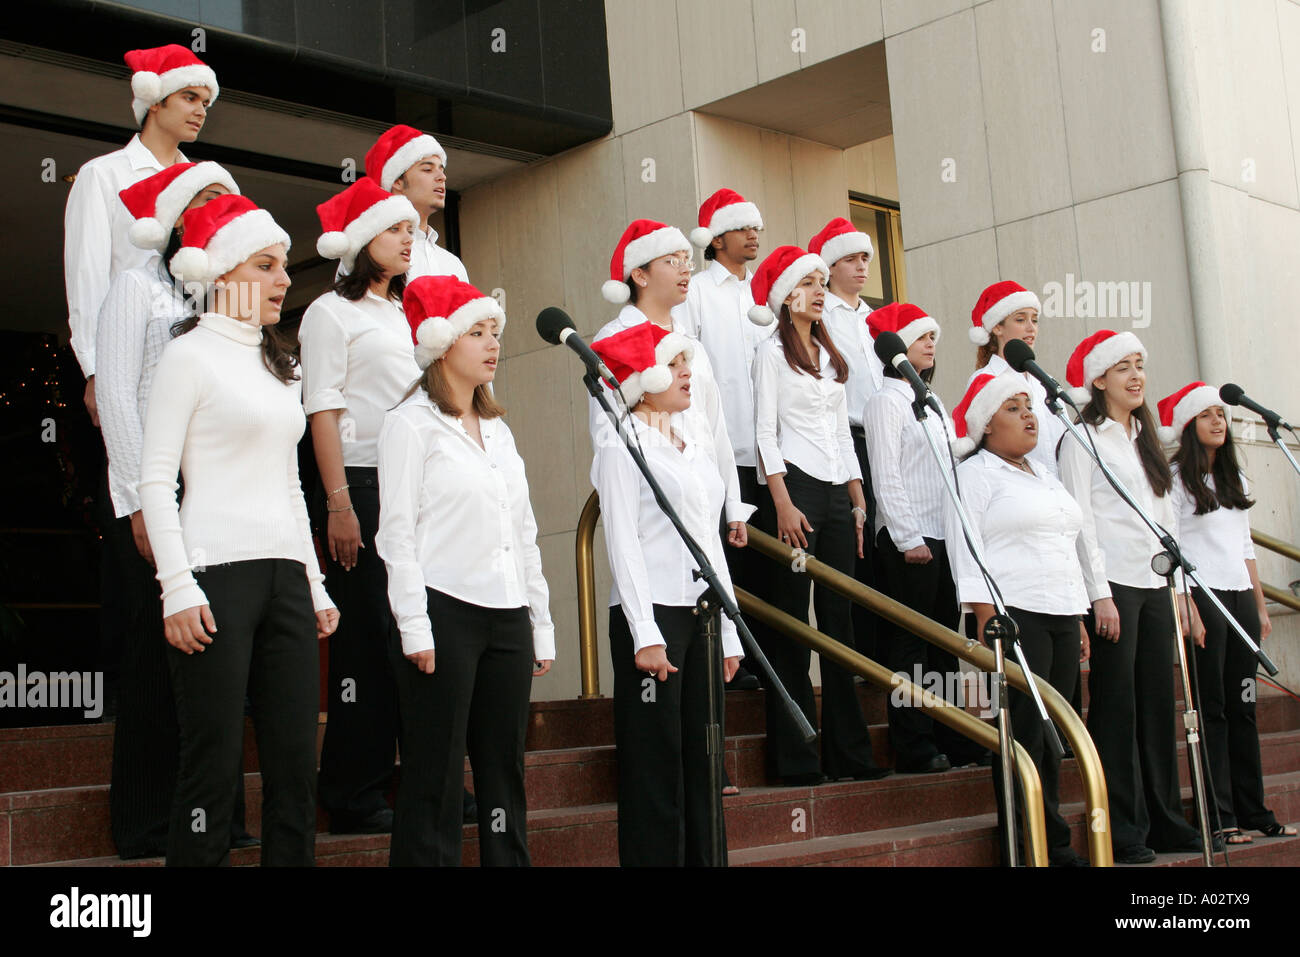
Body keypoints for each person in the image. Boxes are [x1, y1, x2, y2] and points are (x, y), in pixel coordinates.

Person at [139, 195, 338, 866]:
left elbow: (289, 484)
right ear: (223, 272)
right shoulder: (187, 357)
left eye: (284, 265)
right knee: (212, 767)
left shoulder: (281, 365)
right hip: (212, 577)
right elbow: (155, 479)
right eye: (266, 265)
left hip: (284, 578)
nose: (285, 279)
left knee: (293, 768)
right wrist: (176, 586)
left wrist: (314, 587)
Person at [95, 161, 252, 859]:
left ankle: (218, 815)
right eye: (209, 202)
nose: (224, 211)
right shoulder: (134, 286)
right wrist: (135, 499)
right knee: (156, 662)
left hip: (218, 497)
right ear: (180, 216)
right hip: (156, 496)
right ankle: (143, 820)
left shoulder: (222, 298)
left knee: (219, 662)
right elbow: (121, 397)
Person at [376, 275, 554, 866]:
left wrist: (540, 620)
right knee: (436, 767)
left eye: (494, 333)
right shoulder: (410, 424)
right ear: (441, 344)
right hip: (442, 608)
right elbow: (395, 536)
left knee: (504, 768)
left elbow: (522, 532)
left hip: (507, 614)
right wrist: (414, 626)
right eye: (475, 332)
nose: (491, 344)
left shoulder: (500, 432)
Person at [590, 321, 744, 865]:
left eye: (687, 363)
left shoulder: (694, 446)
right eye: (674, 365)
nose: (687, 374)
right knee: (655, 766)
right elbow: (623, 542)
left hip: (702, 615)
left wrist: (729, 631)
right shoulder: (620, 444)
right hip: (651, 616)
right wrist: (644, 631)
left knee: (704, 762)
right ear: (643, 376)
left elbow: (710, 542)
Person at [300, 177, 421, 834]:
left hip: (417, 488)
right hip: (363, 485)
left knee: (416, 633)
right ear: (359, 241)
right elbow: (322, 408)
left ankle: (420, 779)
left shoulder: (409, 313)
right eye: (393, 228)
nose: (408, 238)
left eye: (410, 229)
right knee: (368, 639)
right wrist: (338, 503)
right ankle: (351, 788)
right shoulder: (329, 313)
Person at [1057, 330, 1203, 864]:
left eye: (1139, 364)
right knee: (1117, 708)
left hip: (1156, 583)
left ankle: (1167, 819)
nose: (1136, 376)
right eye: (1122, 367)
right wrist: (1098, 596)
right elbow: (1081, 521)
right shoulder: (1082, 438)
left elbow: (1168, 519)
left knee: (1158, 707)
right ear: (1098, 379)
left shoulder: (1147, 436)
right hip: (1113, 585)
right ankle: (1123, 828)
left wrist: (1181, 592)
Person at [750, 245, 885, 786]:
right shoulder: (769, 353)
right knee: (791, 621)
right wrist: (780, 502)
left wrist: (857, 499)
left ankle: (851, 756)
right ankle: (797, 759)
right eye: (808, 282)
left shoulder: (831, 357)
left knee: (840, 621)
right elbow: (764, 433)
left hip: (835, 491)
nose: (820, 290)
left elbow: (841, 437)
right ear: (786, 295)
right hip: (795, 488)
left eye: (823, 282)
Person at [946, 372, 1094, 866]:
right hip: (1013, 616)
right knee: (1026, 733)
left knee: (1054, 733)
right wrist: (987, 620)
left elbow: (1063, 546)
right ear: (987, 425)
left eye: (1029, 406)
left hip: (1059, 611)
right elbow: (967, 549)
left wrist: (1077, 618)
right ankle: (1030, 841)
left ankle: (1047, 834)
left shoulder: (1043, 474)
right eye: (1012, 408)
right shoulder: (975, 474)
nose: (1029, 415)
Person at [1159, 382, 1297, 844]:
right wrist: (1187, 607)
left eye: (1221, 415)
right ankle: (1219, 816)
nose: (1218, 422)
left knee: (1244, 706)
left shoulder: (1233, 478)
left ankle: (1253, 809)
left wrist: (1259, 605)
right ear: (1189, 425)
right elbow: (1171, 547)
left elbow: (1244, 548)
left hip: (1238, 596)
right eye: (1207, 415)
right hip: (1204, 596)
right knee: (1213, 708)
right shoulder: (1176, 478)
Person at [66, 44, 219, 425]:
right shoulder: (102, 175)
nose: (201, 110)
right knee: (138, 476)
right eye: (189, 97)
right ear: (153, 100)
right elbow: (87, 275)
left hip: (200, 350)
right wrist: (95, 369)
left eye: (205, 102)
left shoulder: (208, 183)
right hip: (129, 354)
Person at [863, 303, 986, 773]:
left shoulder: (928, 403)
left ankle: (953, 735)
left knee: (944, 644)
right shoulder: (885, 401)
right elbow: (887, 474)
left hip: (942, 538)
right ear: (897, 347)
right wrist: (907, 535)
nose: (932, 343)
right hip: (908, 540)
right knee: (911, 643)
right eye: (921, 336)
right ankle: (913, 745)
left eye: (934, 336)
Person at [677, 188, 768, 691]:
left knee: (761, 562)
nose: (753, 235)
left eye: (756, 227)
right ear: (715, 238)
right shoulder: (697, 292)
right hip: (717, 447)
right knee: (722, 553)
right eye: (742, 228)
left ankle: (756, 658)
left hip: (766, 452)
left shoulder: (761, 293)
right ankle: (727, 661)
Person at [809, 217, 885, 663]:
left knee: (880, 539)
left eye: (865, 259)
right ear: (830, 266)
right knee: (854, 539)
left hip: (882, 437)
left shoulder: (873, 319)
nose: (862, 268)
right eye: (851, 259)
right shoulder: (824, 315)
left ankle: (880, 646)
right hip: (845, 436)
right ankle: (857, 652)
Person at [966, 281, 1065, 478]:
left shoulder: (1046, 381)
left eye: (1035, 320)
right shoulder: (986, 380)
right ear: (997, 328)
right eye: (1020, 320)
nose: (1031, 328)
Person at [363, 124, 468, 281]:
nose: (442, 177)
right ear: (397, 182)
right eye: (427, 169)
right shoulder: (373, 254)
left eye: (442, 169)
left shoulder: (452, 264)